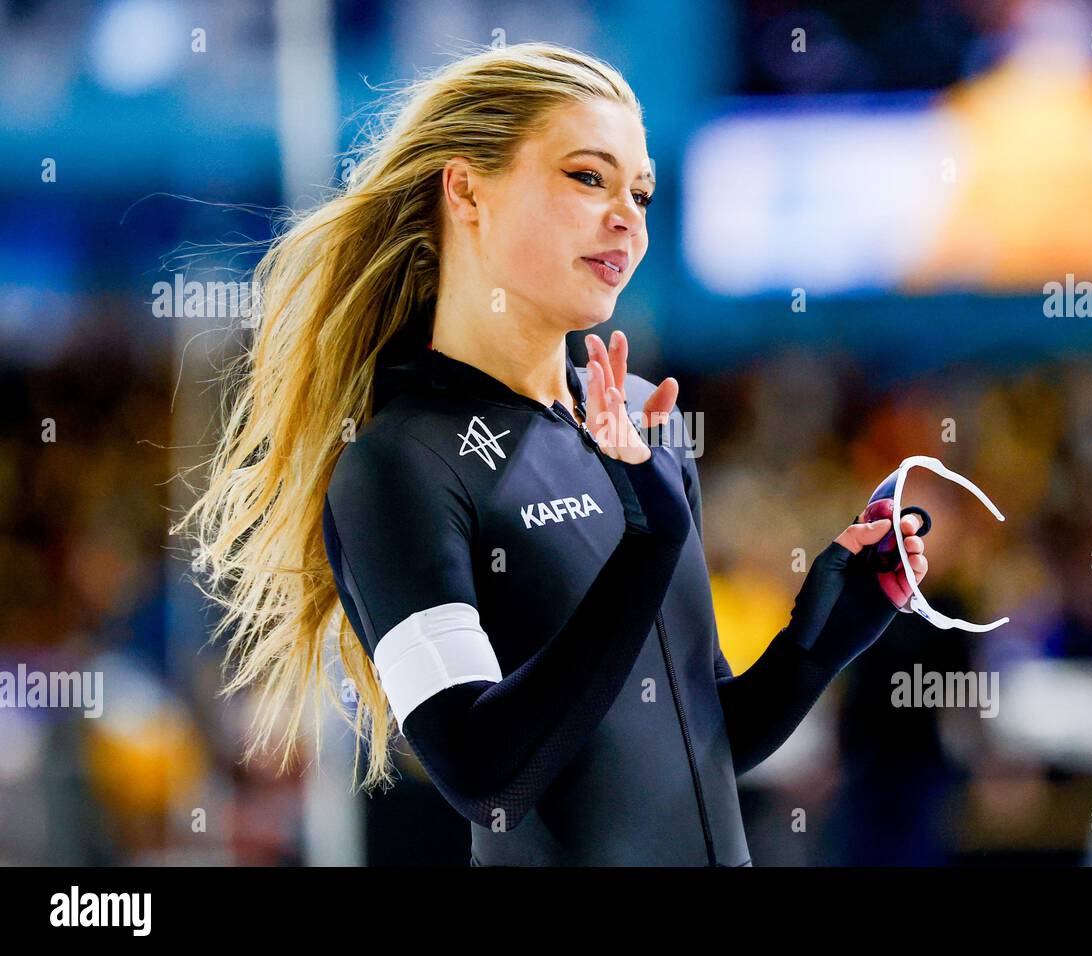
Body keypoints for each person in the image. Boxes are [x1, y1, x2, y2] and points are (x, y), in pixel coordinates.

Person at [176, 41, 927, 867]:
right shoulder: (400, 465)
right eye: (586, 177)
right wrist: (646, 546)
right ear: (465, 190)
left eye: (640, 190)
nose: (628, 217)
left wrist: (819, 643)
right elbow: (486, 777)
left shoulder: (639, 415)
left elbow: (690, 743)